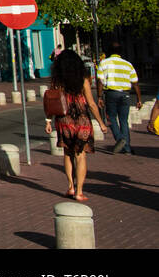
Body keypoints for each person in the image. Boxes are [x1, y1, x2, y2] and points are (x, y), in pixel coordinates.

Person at [45, 49, 108, 202]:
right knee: (81, 155)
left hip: (63, 120)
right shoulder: (83, 80)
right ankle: (79, 191)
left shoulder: (57, 82)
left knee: (68, 154)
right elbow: (92, 104)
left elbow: (51, 101)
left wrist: (48, 121)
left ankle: (71, 186)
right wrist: (101, 123)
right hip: (82, 120)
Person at [98, 44, 142, 154]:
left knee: (111, 118)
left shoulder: (104, 63)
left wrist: (99, 96)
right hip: (125, 94)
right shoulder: (128, 65)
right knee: (124, 121)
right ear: (120, 52)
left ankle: (119, 139)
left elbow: (100, 81)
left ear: (108, 52)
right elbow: (135, 83)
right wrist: (139, 99)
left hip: (111, 93)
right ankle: (127, 148)